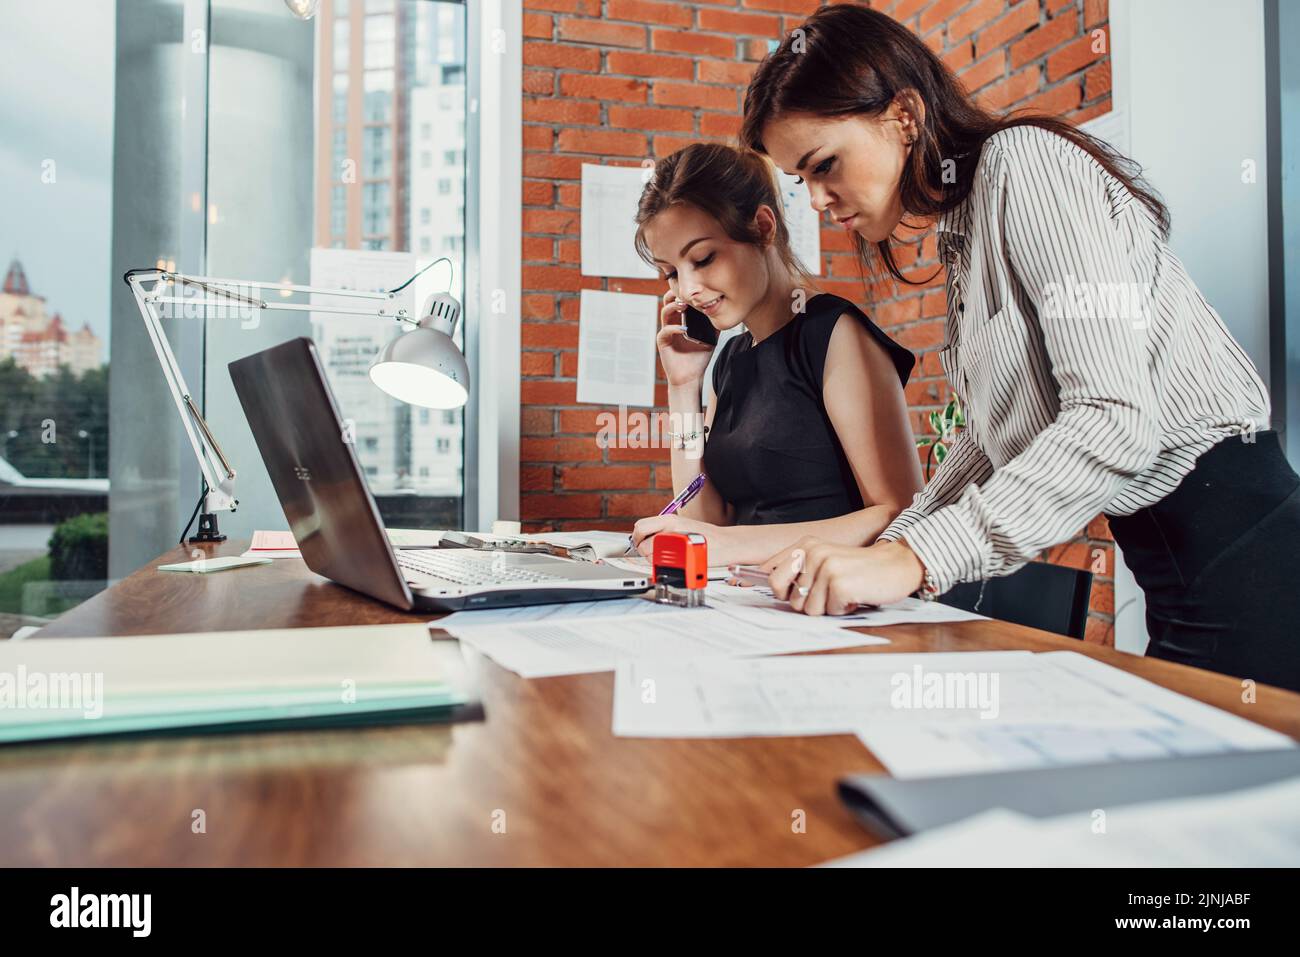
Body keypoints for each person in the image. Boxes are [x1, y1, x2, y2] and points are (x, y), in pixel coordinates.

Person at [744, 4, 1300, 692]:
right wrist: (889, 547)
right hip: (1178, 572)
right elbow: (987, 440)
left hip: (1248, 558)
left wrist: (915, 556)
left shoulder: (1025, 163)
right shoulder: (965, 230)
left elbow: (1114, 420)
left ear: (905, 116)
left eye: (824, 164)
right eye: (801, 179)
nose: (820, 200)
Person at [628, 142, 921, 568]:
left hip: (837, 607)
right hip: (754, 600)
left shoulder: (834, 333)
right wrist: (683, 388)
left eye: (703, 258)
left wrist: (728, 546)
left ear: (764, 228)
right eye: (672, 272)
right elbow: (705, 518)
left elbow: (900, 517)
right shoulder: (730, 361)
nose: (686, 289)